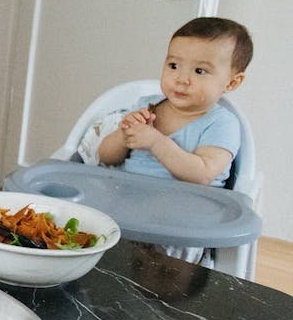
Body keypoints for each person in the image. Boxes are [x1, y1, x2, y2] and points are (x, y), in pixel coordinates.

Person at [97, 16, 252, 263]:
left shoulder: (222, 123)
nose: (181, 79)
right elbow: (105, 158)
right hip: (128, 208)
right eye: (173, 66)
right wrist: (123, 135)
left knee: (166, 275)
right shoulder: (146, 107)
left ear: (232, 82)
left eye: (200, 71)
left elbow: (203, 174)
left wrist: (156, 142)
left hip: (185, 224)